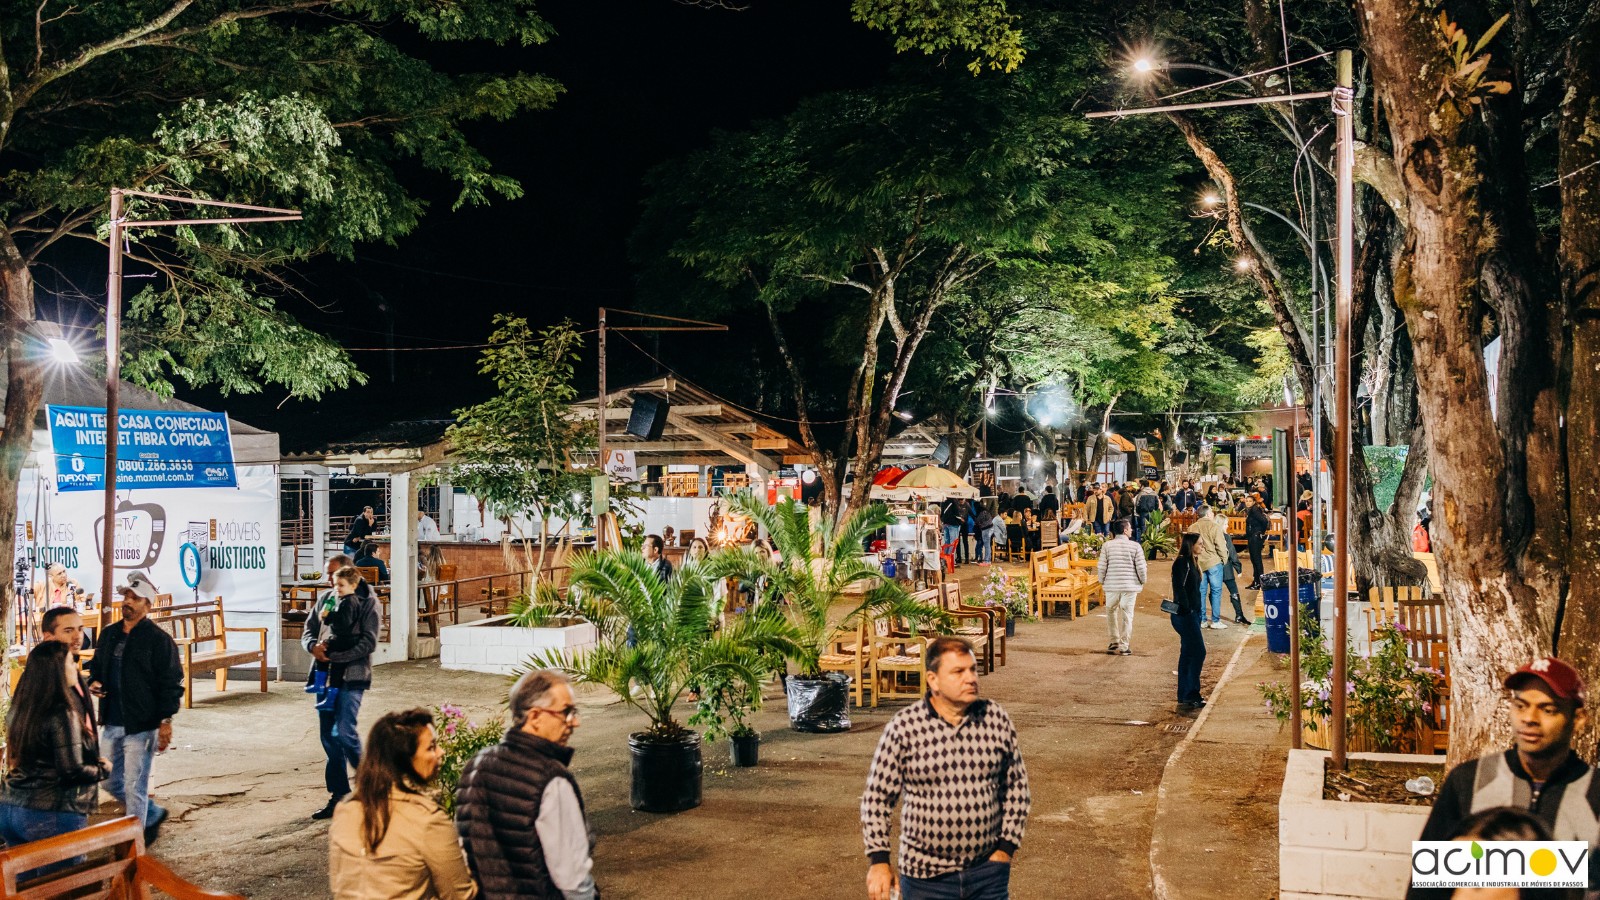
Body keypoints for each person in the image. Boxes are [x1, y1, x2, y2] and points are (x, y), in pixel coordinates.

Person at [1408, 657, 1599, 900]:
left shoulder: (1595, 792)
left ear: (1578, 719)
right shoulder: (1468, 780)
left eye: (1547, 709)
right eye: (1521, 705)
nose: (1529, 718)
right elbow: (1427, 887)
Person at [862, 637, 1030, 900]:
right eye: (958, 672)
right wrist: (879, 861)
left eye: (972, 669)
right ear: (933, 680)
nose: (971, 678)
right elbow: (877, 798)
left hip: (987, 874)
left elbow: (1017, 787)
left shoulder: (995, 719)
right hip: (924, 879)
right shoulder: (905, 728)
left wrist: (1005, 849)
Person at [456, 670, 596, 900]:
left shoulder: (477, 764)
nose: (575, 722)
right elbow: (572, 878)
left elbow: (466, 848)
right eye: (567, 712)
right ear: (536, 716)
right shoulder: (551, 780)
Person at [329, 709, 478, 900]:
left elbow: (339, 884)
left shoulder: (345, 810)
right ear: (407, 760)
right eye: (431, 747)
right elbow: (460, 896)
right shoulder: (428, 821)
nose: (441, 752)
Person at [86, 574, 182, 845]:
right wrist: (94, 681)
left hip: (143, 724)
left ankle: (134, 846)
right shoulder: (109, 634)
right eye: (126, 596)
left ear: (148, 605)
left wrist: (166, 720)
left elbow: (171, 683)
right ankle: (152, 814)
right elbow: (96, 667)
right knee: (107, 780)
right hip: (113, 720)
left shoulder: (158, 641)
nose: (127, 602)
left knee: (134, 786)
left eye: (134, 598)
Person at [0, 640, 108, 876]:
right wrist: (102, 769)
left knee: (25, 888)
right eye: (71, 662)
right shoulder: (61, 712)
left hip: (11, 808)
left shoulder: (21, 708)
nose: (75, 668)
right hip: (49, 811)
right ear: (58, 669)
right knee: (62, 886)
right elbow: (71, 771)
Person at [305, 554, 381, 820]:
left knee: (344, 731)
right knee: (328, 736)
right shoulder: (325, 598)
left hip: (353, 675)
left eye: (332, 575)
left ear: (349, 572)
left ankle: (369, 788)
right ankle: (339, 795)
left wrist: (335, 656)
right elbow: (309, 629)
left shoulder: (367, 603)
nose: (328, 580)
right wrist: (312, 646)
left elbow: (368, 643)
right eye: (328, 575)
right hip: (323, 675)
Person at [307, 567, 364, 714]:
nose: (337, 588)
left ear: (353, 586)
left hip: (345, 641)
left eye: (341, 585)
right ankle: (323, 690)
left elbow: (344, 623)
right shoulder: (344, 600)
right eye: (336, 584)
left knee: (325, 657)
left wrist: (328, 617)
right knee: (330, 664)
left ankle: (322, 689)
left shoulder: (349, 602)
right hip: (342, 639)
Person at [1096, 518, 1147, 656]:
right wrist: (1142, 581)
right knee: (1127, 615)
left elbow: (1102, 566)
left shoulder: (1107, 546)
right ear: (1125, 530)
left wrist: (1102, 581)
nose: (1131, 530)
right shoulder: (1135, 546)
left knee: (1111, 611)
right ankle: (1124, 646)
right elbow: (1141, 567)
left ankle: (1114, 640)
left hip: (1112, 585)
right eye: (1129, 528)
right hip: (1130, 586)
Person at [1169, 533, 1207, 711]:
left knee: (1187, 652)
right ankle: (1191, 693)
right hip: (1186, 614)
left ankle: (1185, 694)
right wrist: (1188, 609)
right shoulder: (1182, 562)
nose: (1202, 546)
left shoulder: (1191, 562)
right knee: (1198, 651)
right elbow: (1179, 588)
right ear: (1190, 545)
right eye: (1199, 544)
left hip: (1192, 613)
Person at [1186, 505, 1231, 629]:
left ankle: (1202, 620)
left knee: (1201, 592)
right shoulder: (1214, 526)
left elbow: (1189, 547)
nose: (1212, 514)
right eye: (1211, 512)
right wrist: (1224, 560)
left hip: (1198, 563)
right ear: (1207, 514)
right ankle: (1215, 621)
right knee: (1216, 592)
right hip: (1214, 562)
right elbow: (1221, 546)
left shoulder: (1192, 528)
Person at [1221, 539, 1252, 625]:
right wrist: (1238, 568)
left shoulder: (1210, 533)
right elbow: (1232, 552)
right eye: (1225, 524)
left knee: (1214, 592)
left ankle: (1214, 618)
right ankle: (1239, 615)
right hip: (1226, 568)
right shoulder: (1225, 536)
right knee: (1233, 591)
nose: (1227, 526)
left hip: (1213, 568)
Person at [1243, 495, 1271, 589]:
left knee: (1256, 559)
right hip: (1252, 536)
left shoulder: (1255, 510)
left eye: (1250, 501)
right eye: (1246, 501)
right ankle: (1256, 581)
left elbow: (1264, 521)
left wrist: (1260, 532)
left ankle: (1259, 582)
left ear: (1254, 502)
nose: (1248, 502)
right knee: (1254, 559)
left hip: (1255, 537)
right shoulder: (1251, 510)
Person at [973, 499, 995, 566]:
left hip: (986, 529)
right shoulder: (986, 511)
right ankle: (988, 559)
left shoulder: (981, 513)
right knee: (988, 545)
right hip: (990, 528)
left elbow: (977, 521)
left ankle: (987, 561)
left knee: (987, 545)